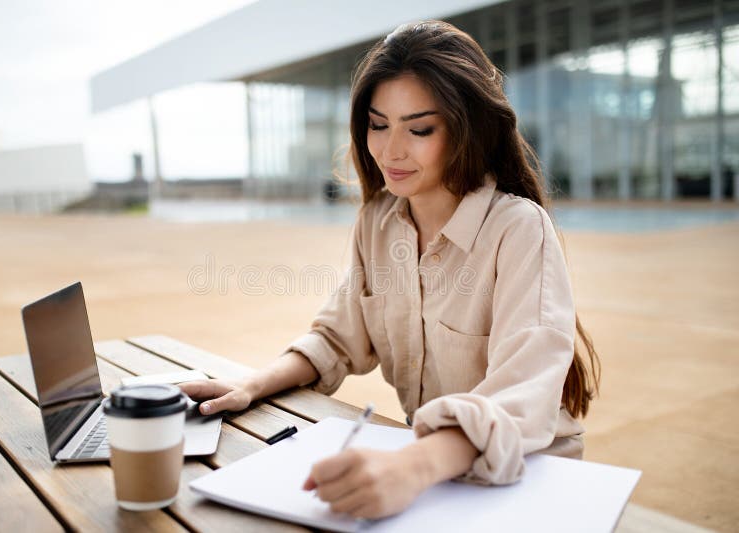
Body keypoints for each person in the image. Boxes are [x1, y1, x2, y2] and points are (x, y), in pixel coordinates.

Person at [180, 20, 600, 520]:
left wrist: (412, 467)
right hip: (427, 473)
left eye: (419, 129)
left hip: (530, 478)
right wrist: (252, 384)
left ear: (469, 129)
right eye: (378, 125)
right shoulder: (378, 222)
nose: (391, 150)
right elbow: (337, 339)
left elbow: (519, 396)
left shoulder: (517, 228)